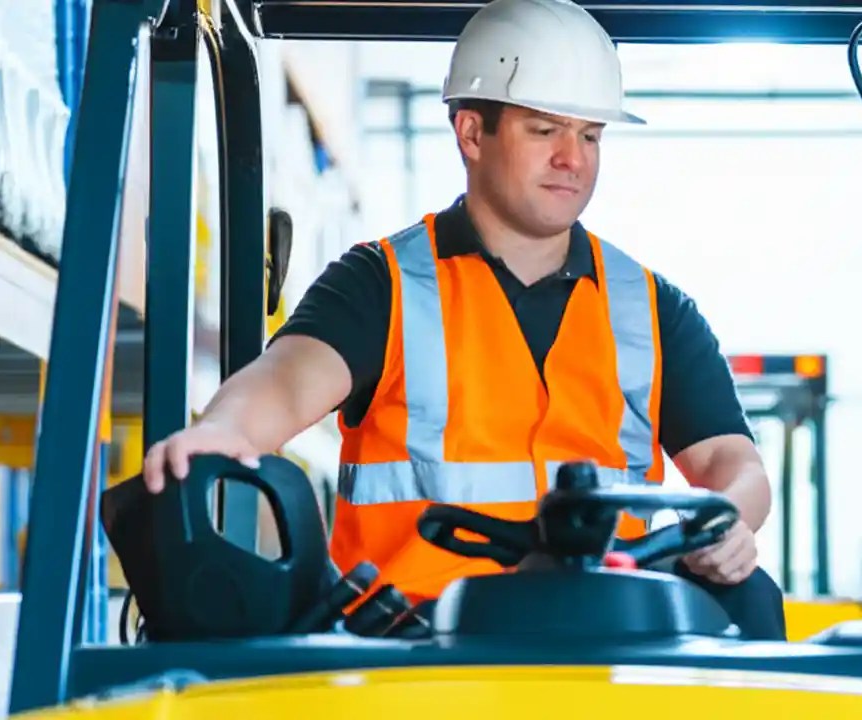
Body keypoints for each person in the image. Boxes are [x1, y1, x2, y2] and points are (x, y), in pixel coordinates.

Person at [141, 0, 786, 640]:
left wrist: (729, 518)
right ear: (472, 134)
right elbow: (287, 378)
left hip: (609, 641)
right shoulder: (383, 284)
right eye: (545, 130)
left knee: (751, 598)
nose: (573, 158)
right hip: (418, 650)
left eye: (590, 135)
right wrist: (226, 429)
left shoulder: (651, 308)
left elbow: (735, 460)